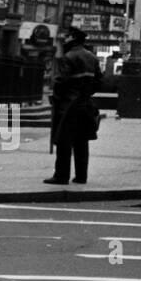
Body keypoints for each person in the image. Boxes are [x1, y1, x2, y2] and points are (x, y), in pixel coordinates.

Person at [45, 27, 101, 185]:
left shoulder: (68, 57)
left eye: (67, 36)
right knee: (81, 142)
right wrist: (87, 93)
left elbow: (61, 82)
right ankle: (81, 176)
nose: (65, 39)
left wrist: (57, 98)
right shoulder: (92, 57)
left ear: (74, 38)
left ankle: (61, 176)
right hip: (85, 104)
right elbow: (99, 82)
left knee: (64, 141)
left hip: (69, 105)